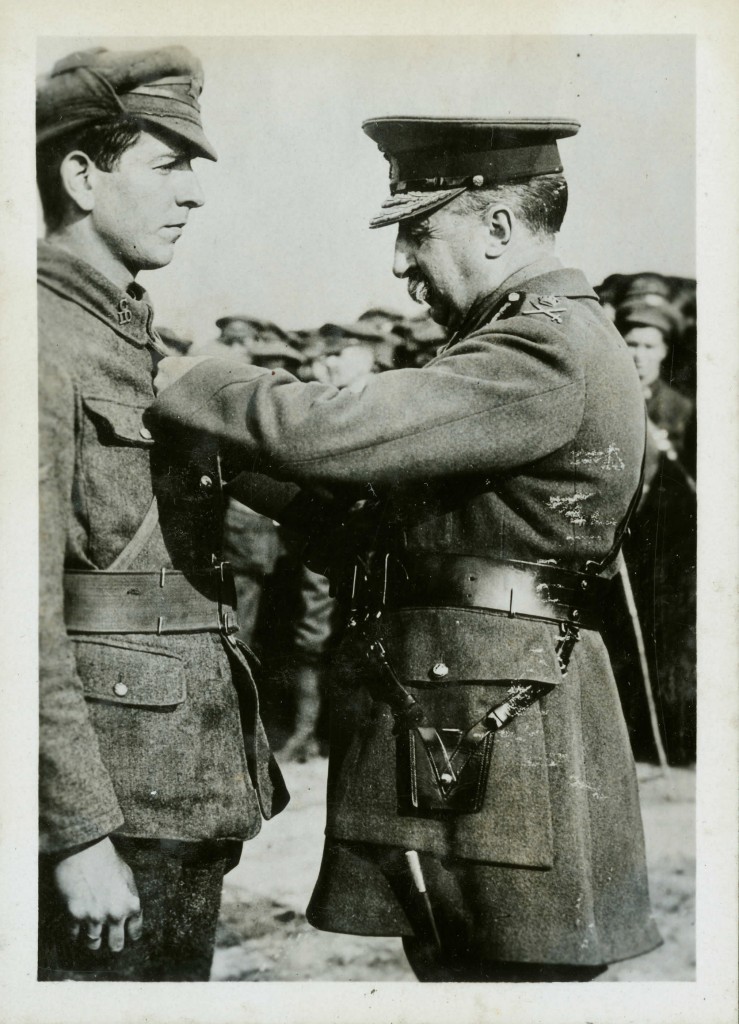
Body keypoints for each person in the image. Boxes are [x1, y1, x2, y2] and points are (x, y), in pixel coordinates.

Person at [147, 115, 661, 982]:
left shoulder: (544, 346)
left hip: (492, 722)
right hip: (466, 712)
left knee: (510, 980)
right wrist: (231, 463)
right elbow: (379, 534)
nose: (400, 263)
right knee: (466, 968)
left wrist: (193, 380)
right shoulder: (523, 336)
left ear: (498, 225)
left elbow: (335, 432)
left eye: (419, 230)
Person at [36, 44, 288, 982]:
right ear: (81, 176)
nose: (193, 194)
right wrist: (73, 836)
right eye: (167, 164)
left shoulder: (129, 331)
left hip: (175, 785)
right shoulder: (42, 341)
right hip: (110, 808)